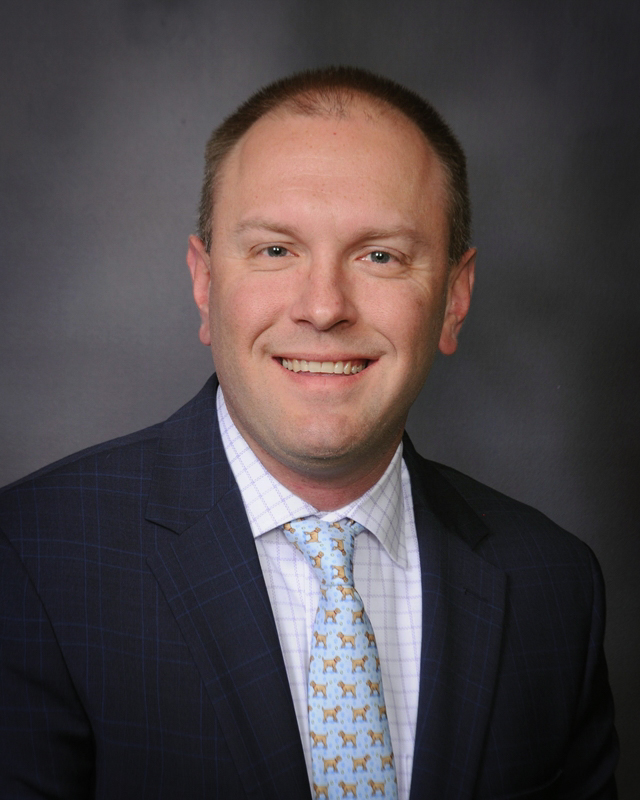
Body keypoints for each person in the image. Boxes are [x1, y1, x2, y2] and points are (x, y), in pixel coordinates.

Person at [0, 67, 617, 799]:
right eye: (275, 250)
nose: (324, 308)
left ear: (454, 298)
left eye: (380, 256)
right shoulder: (32, 561)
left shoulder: (553, 586)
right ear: (204, 283)